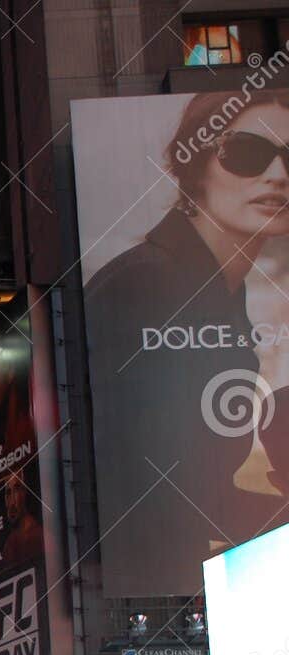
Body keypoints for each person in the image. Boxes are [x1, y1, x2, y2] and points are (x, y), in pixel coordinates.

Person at [84, 92, 289, 576]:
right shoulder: (146, 283)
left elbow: (192, 487)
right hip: (135, 578)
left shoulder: (221, 289)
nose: (278, 176)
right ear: (194, 167)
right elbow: (136, 486)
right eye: (247, 154)